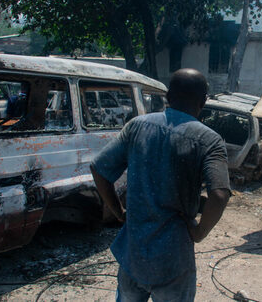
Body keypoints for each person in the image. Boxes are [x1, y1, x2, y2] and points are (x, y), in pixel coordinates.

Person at [90, 68, 231, 302]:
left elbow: (99, 169)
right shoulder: (209, 140)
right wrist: (199, 232)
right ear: (203, 101)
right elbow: (219, 195)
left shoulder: (136, 127)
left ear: (168, 96)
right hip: (173, 260)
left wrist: (119, 212)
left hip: (133, 253)